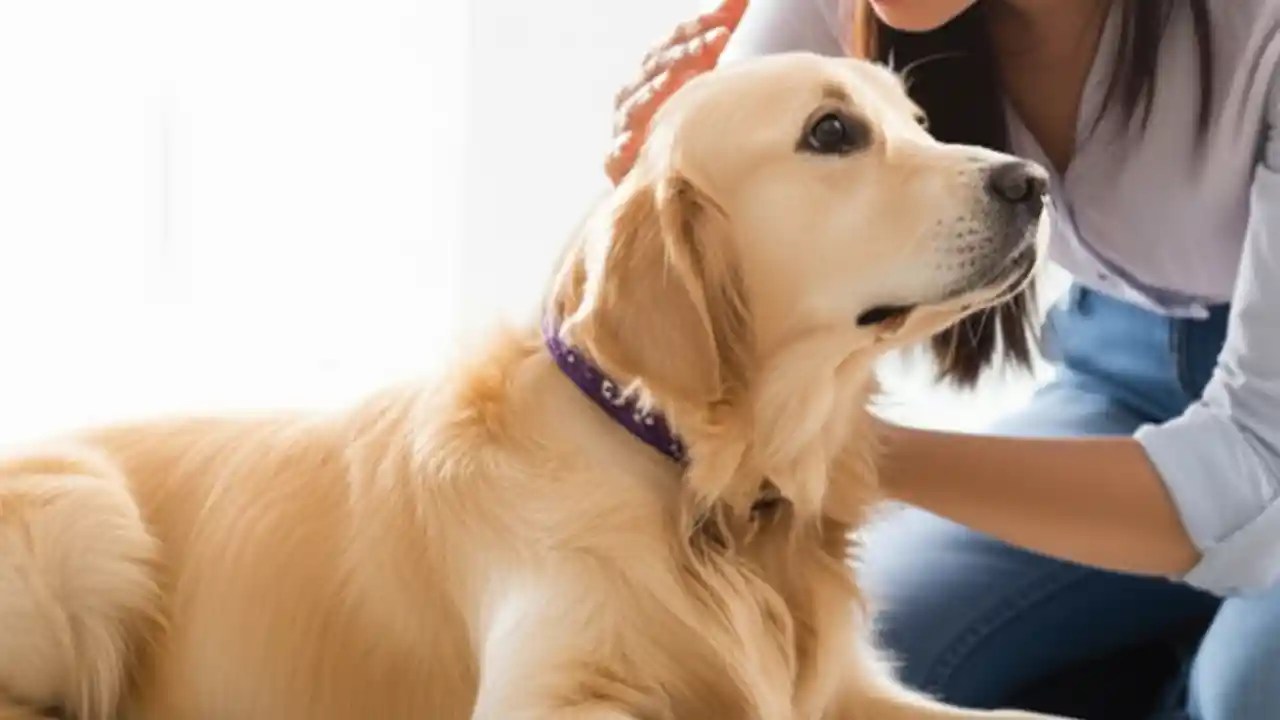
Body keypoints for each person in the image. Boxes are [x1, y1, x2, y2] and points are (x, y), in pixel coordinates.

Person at [607, 1, 1280, 718]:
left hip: (1255, 436)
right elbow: (706, 317)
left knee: (1245, 696)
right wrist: (647, 215)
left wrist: (847, 448)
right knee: (854, 656)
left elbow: (1252, 471)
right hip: (1127, 365)